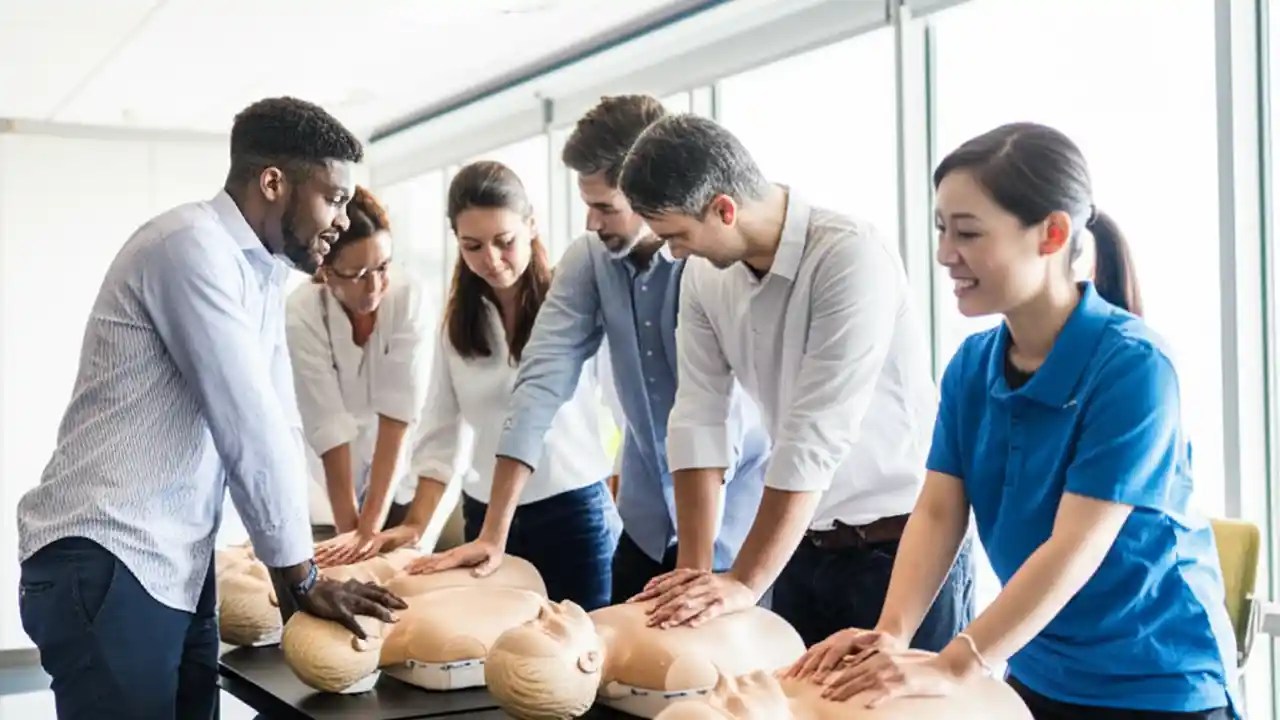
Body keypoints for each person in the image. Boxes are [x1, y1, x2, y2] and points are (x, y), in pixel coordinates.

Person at [787, 122, 1240, 719]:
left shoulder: (1134, 368)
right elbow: (940, 510)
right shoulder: (973, 366)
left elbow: (1076, 545)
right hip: (1038, 664)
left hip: (1156, 677)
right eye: (942, 230)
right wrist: (891, 632)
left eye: (968, 232)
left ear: (1052, 234)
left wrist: (957, 663)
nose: (946, 254)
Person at [14, 97, 407, 720]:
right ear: (274, 182)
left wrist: (306, 567)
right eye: (333, 198)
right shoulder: (189, 246)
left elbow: (279, 425)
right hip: (109, 555)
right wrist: (300, 580)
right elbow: (246, 426)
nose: (342, 219)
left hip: (172, 562)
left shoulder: (261, 273)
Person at [619, 114, 974, 651]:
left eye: (677, 235)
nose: (672, 252)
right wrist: (694, 572)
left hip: (902, 552)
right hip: (799, 550)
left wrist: (742, 582)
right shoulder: (702, 276)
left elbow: (815, 435)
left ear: (723, 209)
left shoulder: (851, 256)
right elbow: (698, 415)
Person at [475, 95, 770, 606]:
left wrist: (694, 573)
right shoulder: (590, 260)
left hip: (738, 530)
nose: (591, 223)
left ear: (649, 191)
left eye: (605, 207)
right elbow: (541, 378)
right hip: (645, 528)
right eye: (587, 205)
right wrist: (492, 534)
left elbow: (712, 417)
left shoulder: (710, 262)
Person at [399, 160, 620, 610]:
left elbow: (627, 409)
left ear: (531, 225)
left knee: (586, 653)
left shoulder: (573, 304)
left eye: (505, 242)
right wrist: (414, 529)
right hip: (484, 515)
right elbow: (440, 435)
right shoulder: (458, 327)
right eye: (473, 246)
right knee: (497, 652)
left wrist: (622, 489)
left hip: (574, 511)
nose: (491, 259)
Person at [285, 184, 433, 564]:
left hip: (400, 470)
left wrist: (367, 533)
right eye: (356, 273)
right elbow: (328, 423)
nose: (374, 286)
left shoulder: (409, 296)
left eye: (383, 267)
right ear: (326, 272)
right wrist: (350, 535)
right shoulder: (303, 311)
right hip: (332, 480)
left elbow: (398, 413)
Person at [484, 597, 806, 719]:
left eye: (531, 621)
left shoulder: (595, 626)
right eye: (548, 630)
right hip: (783, 649)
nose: (544, 611)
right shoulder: (666, 668)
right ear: (588, 661)